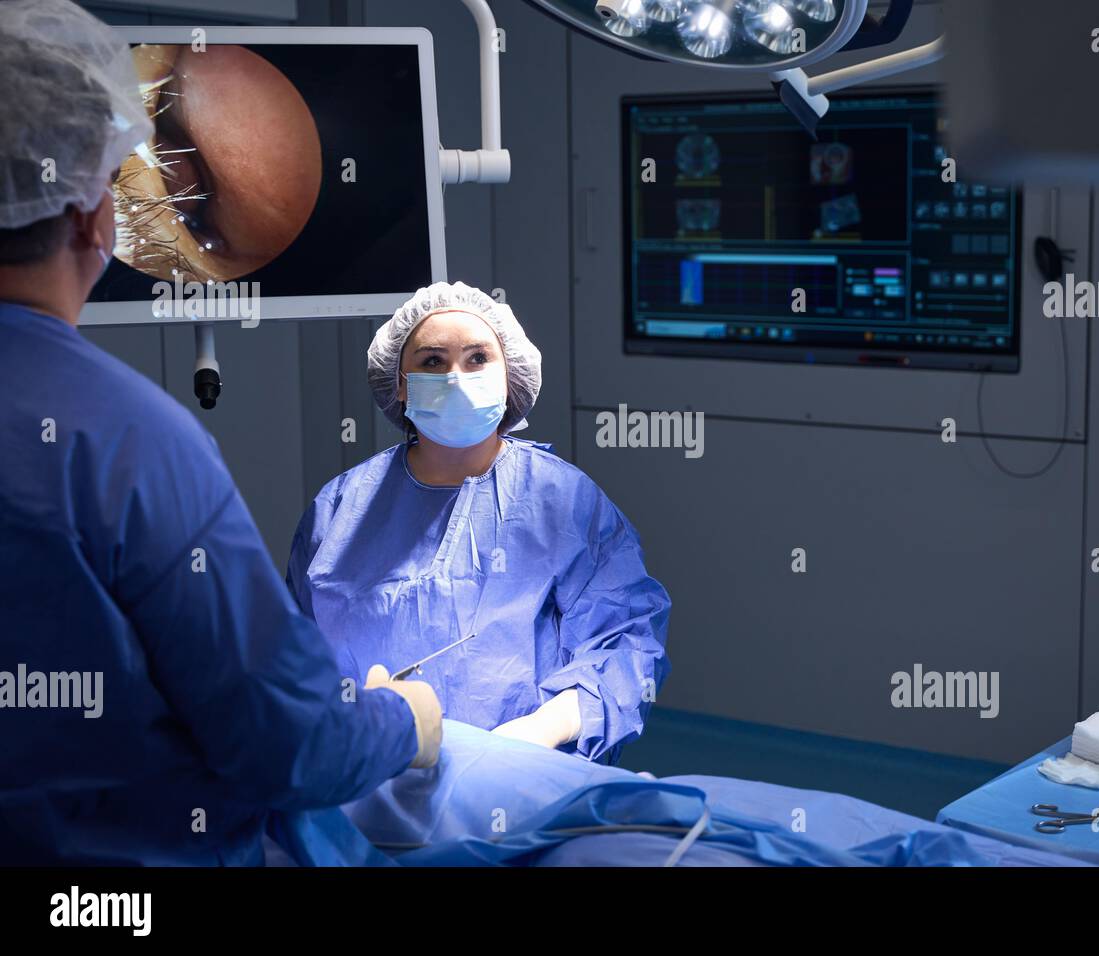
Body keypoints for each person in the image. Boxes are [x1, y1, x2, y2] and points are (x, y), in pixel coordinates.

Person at [0, 0, 440, 865]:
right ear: (99, 220)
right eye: (155, 153)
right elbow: (292, 748)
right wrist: (404, 723)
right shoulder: (130, 447)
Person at [286, 282, 671, 764]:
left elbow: (626, 644)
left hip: (522, 774)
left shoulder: (564, 502)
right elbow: (292, 656)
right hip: (367, 771)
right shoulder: (342, 508)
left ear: (509, 375)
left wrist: (540, 731)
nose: (455, 377)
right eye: (432, 362)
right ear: (399, 383)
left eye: (476, 359)